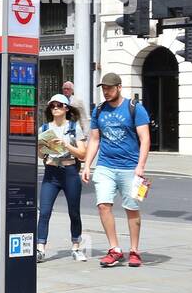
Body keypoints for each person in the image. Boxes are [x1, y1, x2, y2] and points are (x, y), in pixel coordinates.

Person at [82, 72, 151, 267]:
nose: (106, 92)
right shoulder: (99, 111)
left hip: (130, 167)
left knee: (131, 208)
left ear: (119, 87)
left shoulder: (134, 108)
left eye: (109, 88)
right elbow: (95, 139)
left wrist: (141, 166)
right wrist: (87, 164)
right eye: (103, 88)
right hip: (105, 166)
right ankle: (115, 249)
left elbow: (145, 138)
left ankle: (135, 250)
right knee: (103, 205)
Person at [36, 95, 88, 262]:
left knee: (74, 212)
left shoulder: (74, 128)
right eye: (52, 106)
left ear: (66, 108)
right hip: (51, 173)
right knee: (44, 212)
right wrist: (42, 148)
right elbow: (39, 155)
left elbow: (83, 154)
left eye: (59, 105)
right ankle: (40, 248)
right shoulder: (44, 128)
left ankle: (76, 246)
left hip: (70, 172)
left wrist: (65, 144)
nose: (55, 108)